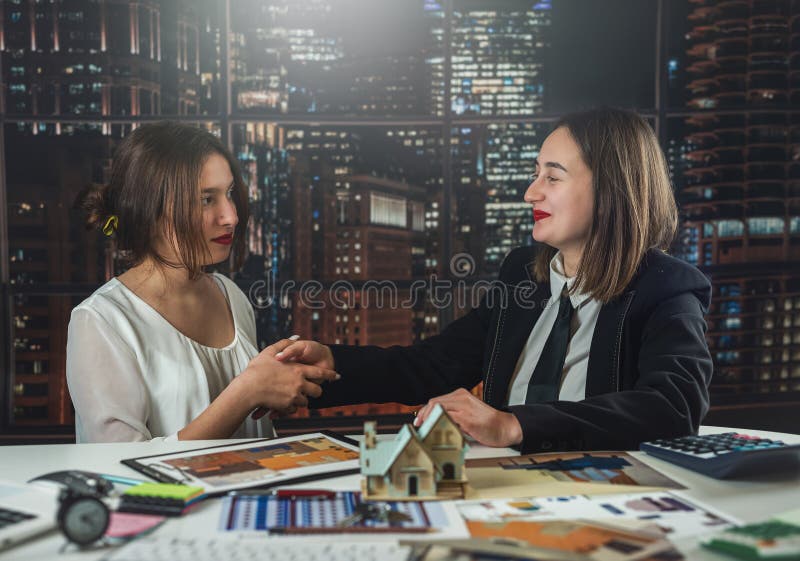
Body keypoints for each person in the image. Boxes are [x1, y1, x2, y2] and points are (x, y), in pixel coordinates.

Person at [267, 107, 713, 453]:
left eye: (552, 177)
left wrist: (514, 425)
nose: (531, 192)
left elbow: (672, 408)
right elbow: (433, 365)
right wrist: (328, 363)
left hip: (606, 499)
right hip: (505, 489)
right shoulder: (522, 274)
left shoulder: (667, 289)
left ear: (612, 188)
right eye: (535, 174)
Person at [67, 122, 338, 443]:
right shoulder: (100, 322)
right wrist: (247, 392)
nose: (231, 216)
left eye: (230, 194)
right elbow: (115, 463)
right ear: (150, 211)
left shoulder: (230, 295)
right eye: (206, 199)